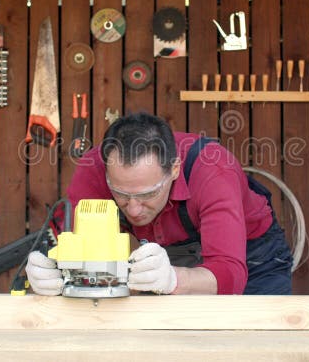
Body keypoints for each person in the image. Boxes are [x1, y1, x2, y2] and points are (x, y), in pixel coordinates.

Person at [26, 112, 292, 295]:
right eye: (120, 193)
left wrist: (173, 280)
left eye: (147, 194)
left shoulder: (213, 170)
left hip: (252, 257)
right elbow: (80, 251)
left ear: (174, 169)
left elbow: (229, 274)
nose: (132, 209)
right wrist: (56, 275)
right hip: (168, 256)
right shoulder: (92, 170)